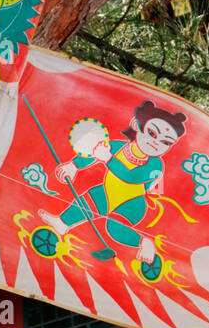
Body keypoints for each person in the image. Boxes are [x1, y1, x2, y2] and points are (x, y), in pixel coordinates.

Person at [38, 100, 187, 280]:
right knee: (86, 201)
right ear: (135, 125)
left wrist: (108, 158)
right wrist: (74, 166)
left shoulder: (155, 165)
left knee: (114, 228)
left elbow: (131, 177)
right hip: (107, 193)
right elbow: (92, 154)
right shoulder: (118, 147)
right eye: (152, 132)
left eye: (165, 142)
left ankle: (145, 243)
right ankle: (62, 224)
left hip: (132, 203)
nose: (156, 142)